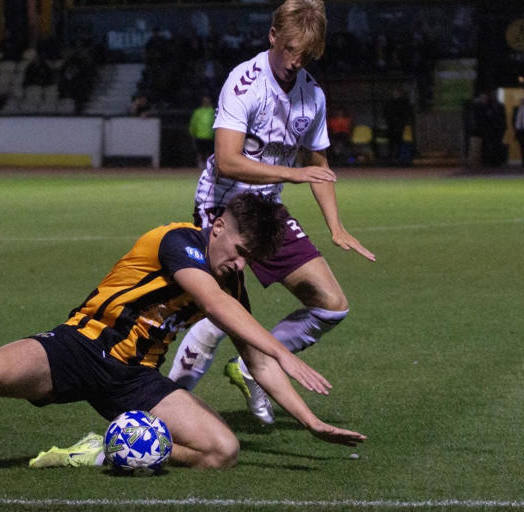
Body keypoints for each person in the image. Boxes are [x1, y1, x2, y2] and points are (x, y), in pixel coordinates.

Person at [0, 192, 366, 470]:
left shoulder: (229, 280)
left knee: (222, 449)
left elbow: (260, 362)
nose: (241, 266)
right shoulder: (179, 241)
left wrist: (312, 422)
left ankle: (100, 451)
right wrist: (286, 351)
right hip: (77, 348)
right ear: (216, 225)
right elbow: (215, 305)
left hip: (136, 381)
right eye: (240, 252)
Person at [167, 0, 375, 426]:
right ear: (273, 36)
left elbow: (319, 166)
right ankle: (164, 411)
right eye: (291, 50)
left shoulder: (312, 94)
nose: (296, 62)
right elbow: (226, 159)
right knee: (223, 314)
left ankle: (251, 369)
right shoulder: (244, 83)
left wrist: (336, 227)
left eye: (306, 55)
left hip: (267, 208)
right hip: (222, 206)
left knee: (331, 305)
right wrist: (290, 173)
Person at [189, 94, 215, 168]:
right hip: (199, 135)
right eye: (204, 101)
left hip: (210, 136)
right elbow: (193, 123)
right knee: (199, 152)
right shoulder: (198, 112)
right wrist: (192, 133)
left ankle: (208, 165)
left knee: (208, 152)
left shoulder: (212, 111)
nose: (206, 102)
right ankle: (200, 165)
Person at [512, 97, 524, 167]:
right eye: (522, 101)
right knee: (522, 147)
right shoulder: (516, 109)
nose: (523, 102)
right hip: (520, 131)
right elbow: (514, 120)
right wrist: (515, 129)